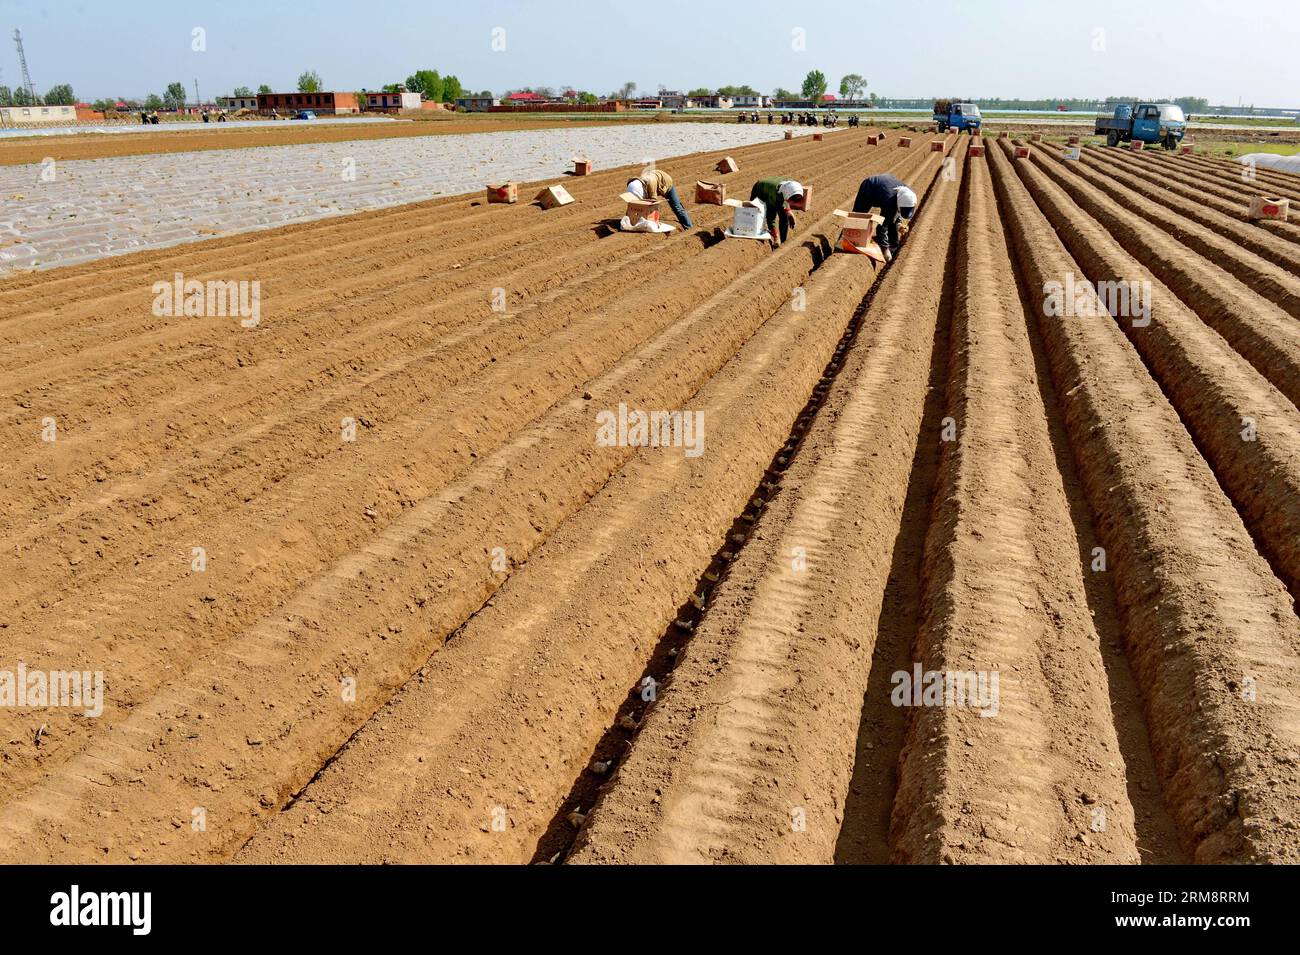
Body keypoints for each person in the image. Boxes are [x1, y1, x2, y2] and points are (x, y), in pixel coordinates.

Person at [852, 174, 917, 262]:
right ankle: (845, 241)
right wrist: (885, 249)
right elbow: (882, 227)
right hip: (870, 188)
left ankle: (893, 248)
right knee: (857, 217)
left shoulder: (908, 194)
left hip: (885, 188)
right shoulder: (889, 200)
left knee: (890, 218)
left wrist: (898, 225)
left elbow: (896, 212)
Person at [626, 168, 693, 229]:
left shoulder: (651, 184)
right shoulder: (633, 183)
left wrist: (654, 221)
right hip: (656, 181)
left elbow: (654, 204)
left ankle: (689, 227)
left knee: (677, 207)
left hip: (666, 183)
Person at [749, 177, 804, 249]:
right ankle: (771, 235)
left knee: (784, 216)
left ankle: (784, 241)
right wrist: (776, 236)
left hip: (777, 191)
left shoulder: (790, 186)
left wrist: (789, 212)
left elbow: (786, 201)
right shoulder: (774, 196)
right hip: (759, 189)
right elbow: (771, 218)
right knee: (756, 213)